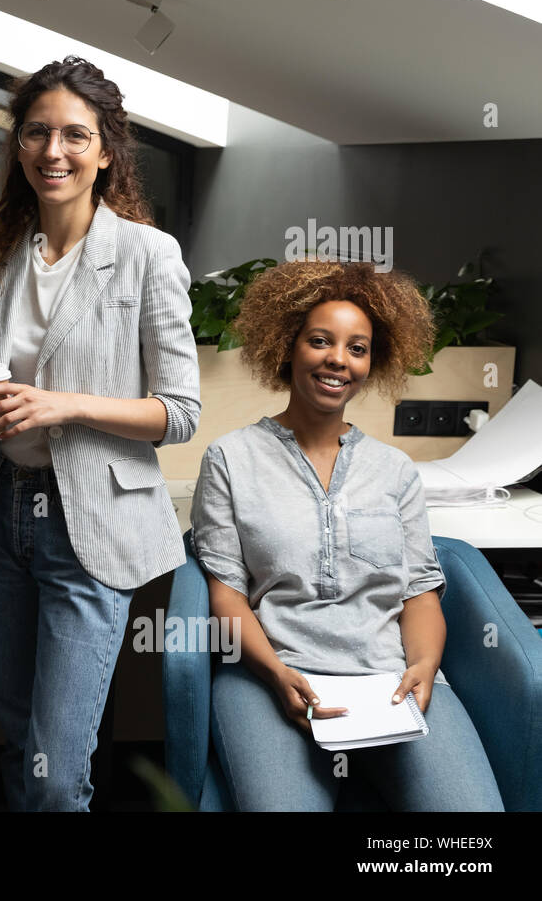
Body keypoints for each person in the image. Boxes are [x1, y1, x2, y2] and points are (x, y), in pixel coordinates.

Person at [0, 56, 201, 811]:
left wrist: (62, 405)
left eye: (73, 135)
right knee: (19, 740)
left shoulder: (148, 256)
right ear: (19, 146)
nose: (52, 151)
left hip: (87, 524)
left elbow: (179, 412)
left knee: (58, 774)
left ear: (106, 150)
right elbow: (2, 388)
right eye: (37, 133)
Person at [189, 258, 504, 811]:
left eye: (357, 348)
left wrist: (424, 668)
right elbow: (226, 594)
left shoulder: (395, 470)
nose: (339, 359)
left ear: (372, 363)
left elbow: (419, 591)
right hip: (272, 678)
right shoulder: (230, 459)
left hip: (388, 683)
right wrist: (274, 673)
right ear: (288, 347)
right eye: (320, 341)